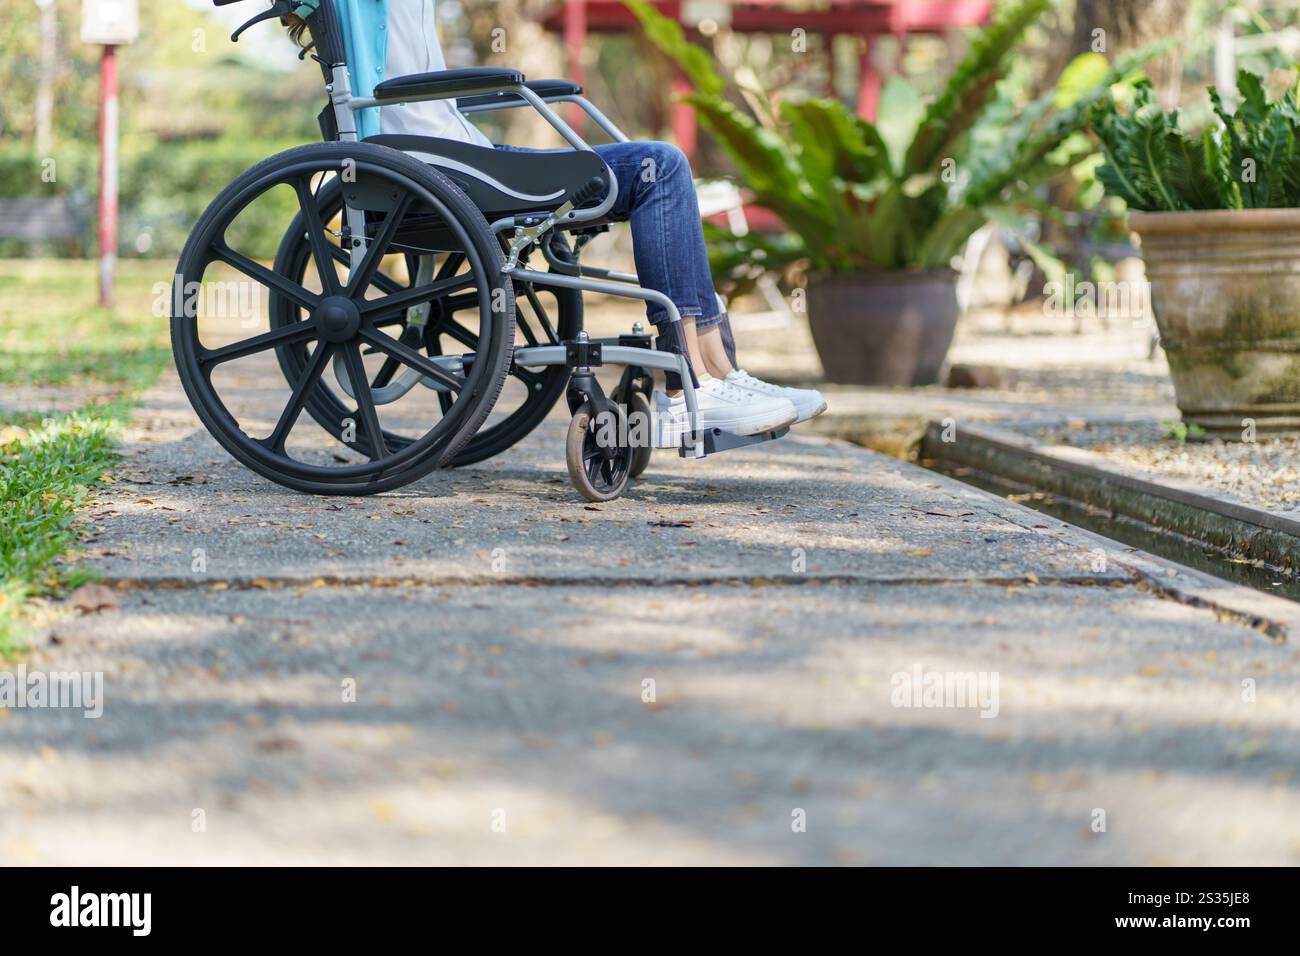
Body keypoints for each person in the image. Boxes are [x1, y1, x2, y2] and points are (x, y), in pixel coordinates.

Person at [285, 0, 826, 439]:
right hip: (429, 163)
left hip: (461, 151)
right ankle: (686, 388)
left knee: (658, 168)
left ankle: (719, 373)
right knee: (658, 165)